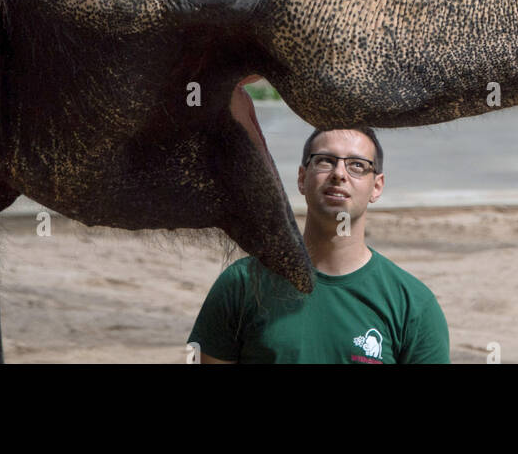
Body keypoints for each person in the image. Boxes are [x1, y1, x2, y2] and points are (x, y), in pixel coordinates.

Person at [188, 126, 450, 363]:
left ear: (376, 187)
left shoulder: (413, 305)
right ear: (302, 178)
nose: (339, 174)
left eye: (357, 165)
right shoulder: (242, 283)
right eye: (325, 161)